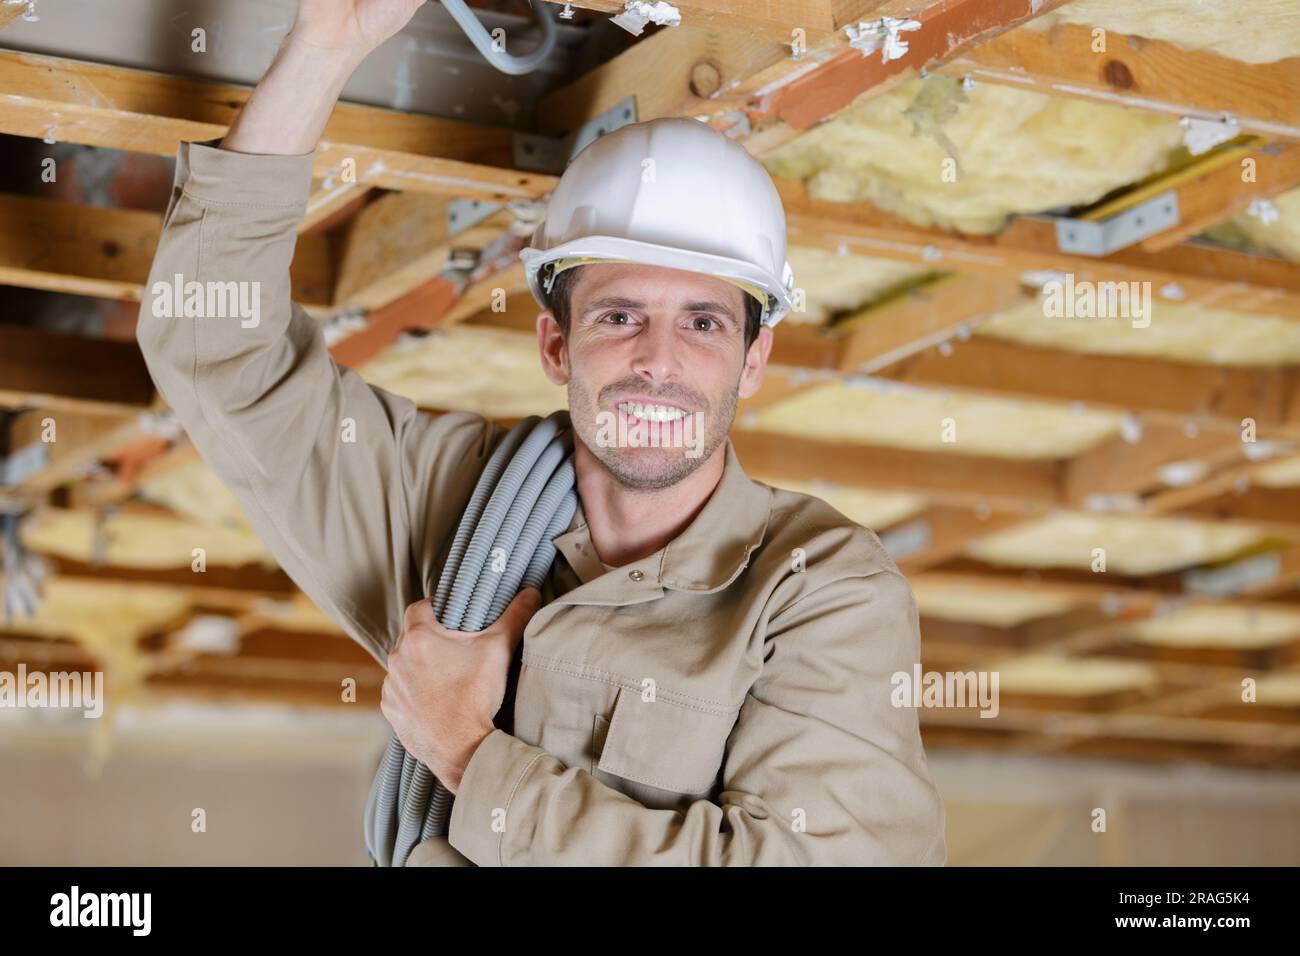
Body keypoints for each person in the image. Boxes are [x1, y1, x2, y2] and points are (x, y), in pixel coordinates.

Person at [135, 0, 947, 866]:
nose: (658, 362)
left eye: (705, 324)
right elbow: (214, 345)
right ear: (556, 344)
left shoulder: (818, 589)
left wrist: (466, 752)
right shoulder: (457, 506)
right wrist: (325, 46)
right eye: (620, 315)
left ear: (753, 360)